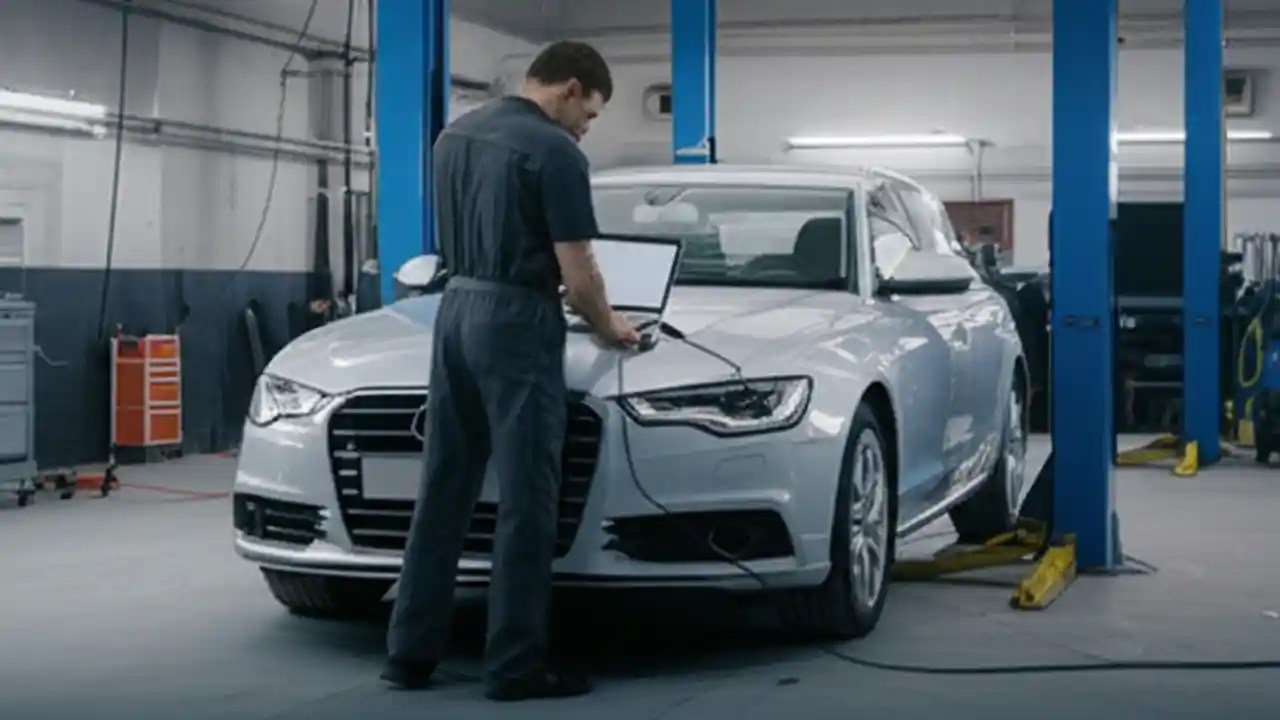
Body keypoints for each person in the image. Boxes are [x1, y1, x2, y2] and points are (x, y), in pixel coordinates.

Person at [381, 40, 639, 701]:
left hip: (455, 309)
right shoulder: (556, 153)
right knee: (528, 497)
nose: (587, 127)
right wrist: (612, 327)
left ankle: (409, 654)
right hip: (518, 322)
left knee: (444, 486)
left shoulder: (454, 136)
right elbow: (579, 273)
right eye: (593, 113)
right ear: (573, 89)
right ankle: (515, 666)